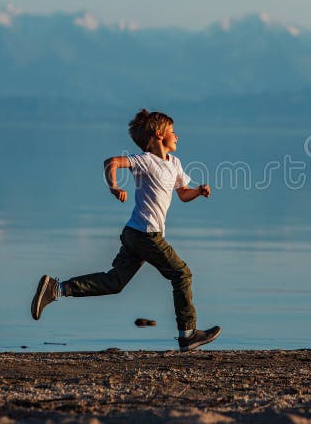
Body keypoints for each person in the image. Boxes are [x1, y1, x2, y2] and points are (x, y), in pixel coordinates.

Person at [31, 109, 221, 351]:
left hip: (135, 233)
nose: (178, 136)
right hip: (145, 234)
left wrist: (198, 191)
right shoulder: (145, 161)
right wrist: (114, 186)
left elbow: (183, 193)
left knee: (115, 282)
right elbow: (111, 162)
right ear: (159, 134)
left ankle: (56, 289)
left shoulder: (175, 164)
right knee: (181, 274)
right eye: (173, 131)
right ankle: (188, 334)